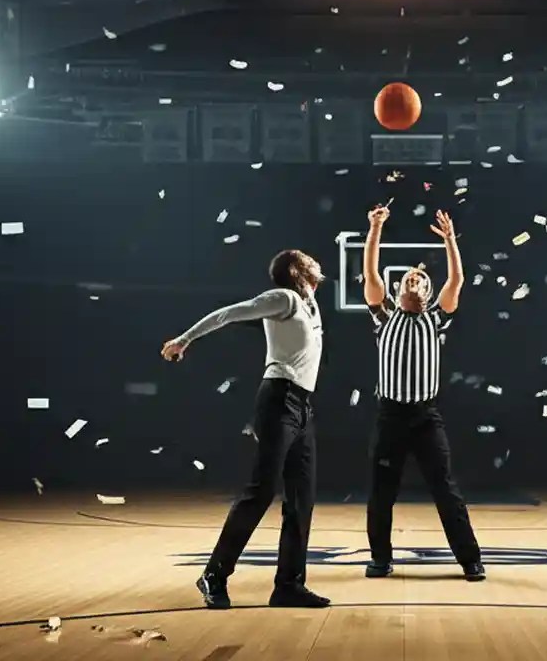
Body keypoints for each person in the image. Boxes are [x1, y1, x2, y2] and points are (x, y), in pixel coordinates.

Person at [160, 249, 330, 610]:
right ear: (295, 269)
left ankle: (288, 586)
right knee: (262, 490)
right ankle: (214, 575)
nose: (316, 260)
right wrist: (184, 340)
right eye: (306, 258)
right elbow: (228, 314)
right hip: (279, 399)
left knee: (302, 499)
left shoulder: (309, 303)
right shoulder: (282, 298)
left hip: (302, 406)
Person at [361, 205, 485, 582]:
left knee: (446, 490)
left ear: (429, 294)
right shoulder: (382, 316)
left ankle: (470, 560)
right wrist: (376, 227)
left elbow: (458, 279)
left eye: (420, 280)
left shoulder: (436, 318)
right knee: (382, 493)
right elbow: (369, 270)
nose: (413, 281)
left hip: (425, 417)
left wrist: (450, 240)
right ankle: (381, 559)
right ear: (397, 290)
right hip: (390, 416)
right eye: (408, 280)